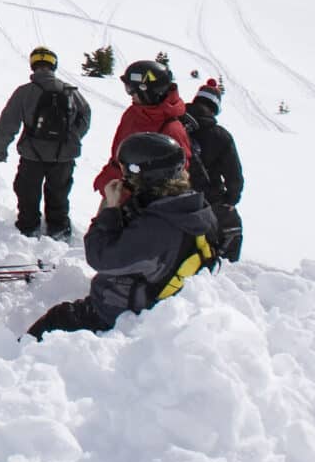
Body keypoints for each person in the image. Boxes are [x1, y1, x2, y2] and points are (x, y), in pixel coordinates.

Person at [27, 131, 220, 339]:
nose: (126, 179)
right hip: (160, 302)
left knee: (55, 321)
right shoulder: (192, 209)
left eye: (129, 174)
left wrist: (110, 209)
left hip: (121, 314)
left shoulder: (156, 229)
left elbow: (99, 255)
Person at [0, 45, 92, 241]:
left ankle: (28, 230)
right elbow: (85, 116)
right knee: (59, 194)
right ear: (53, 66)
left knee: (28, 193)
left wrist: (0, 149)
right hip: (64, 155)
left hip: (32, 154)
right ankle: (59, 230)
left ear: (33, 65)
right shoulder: (70, 91)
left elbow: (8, 123)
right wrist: (72, 137)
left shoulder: (24, 92)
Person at [94, 58, 193, 197]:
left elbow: (178, 173)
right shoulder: (133, 113)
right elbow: (118, 154)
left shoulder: (172, 129)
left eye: (131, 90)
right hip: (118, 190)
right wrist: (108, 178)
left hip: (144, 202)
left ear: (147, 90)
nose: (130, 94)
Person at [186, 78, 245, 259]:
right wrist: (231, 199)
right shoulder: (221, 136)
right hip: (208, 197)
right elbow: (233, 174)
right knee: (232, 228)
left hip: (171, 193)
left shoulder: (175, 124)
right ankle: (221, 271)